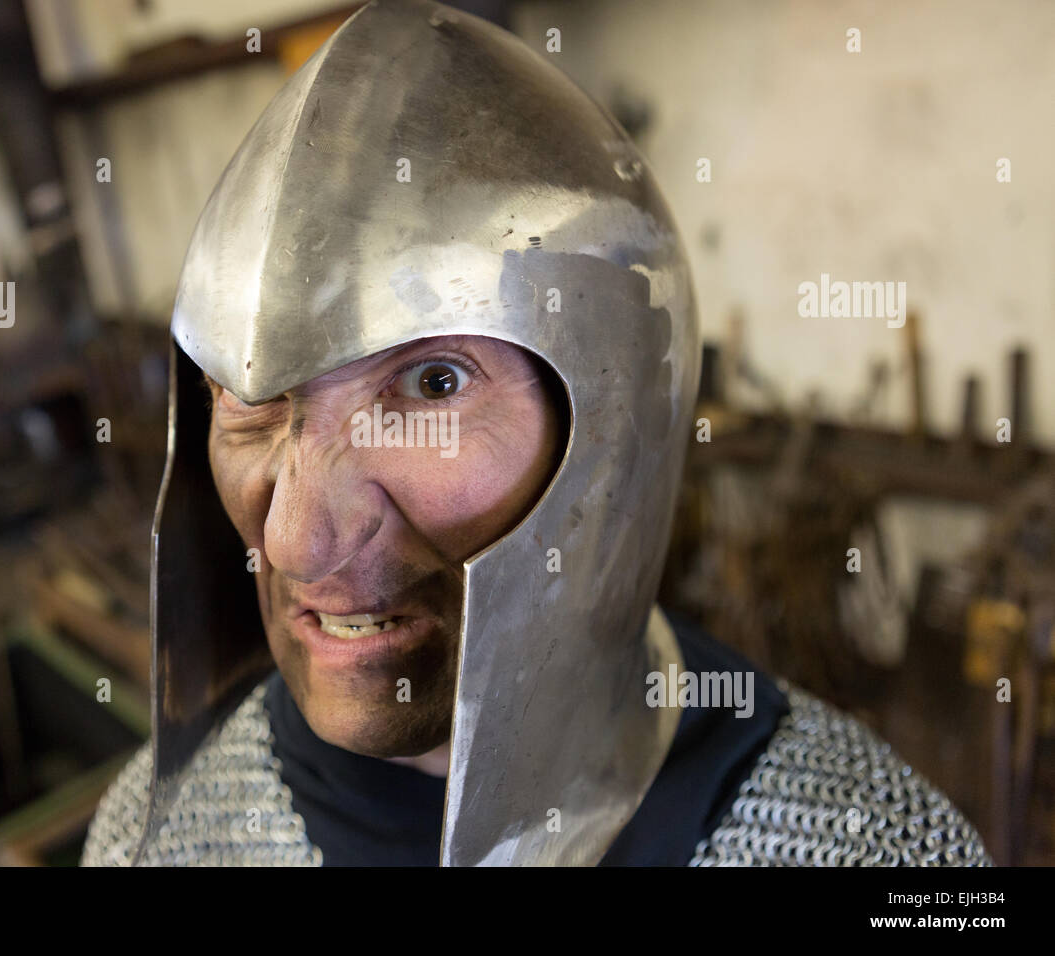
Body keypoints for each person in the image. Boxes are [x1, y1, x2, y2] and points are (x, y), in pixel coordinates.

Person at [82, 0, 989, 866]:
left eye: (432, 385)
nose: (293, 541)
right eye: (249, 398)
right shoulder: (157, 836)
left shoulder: (867, 848)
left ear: (613, 437)